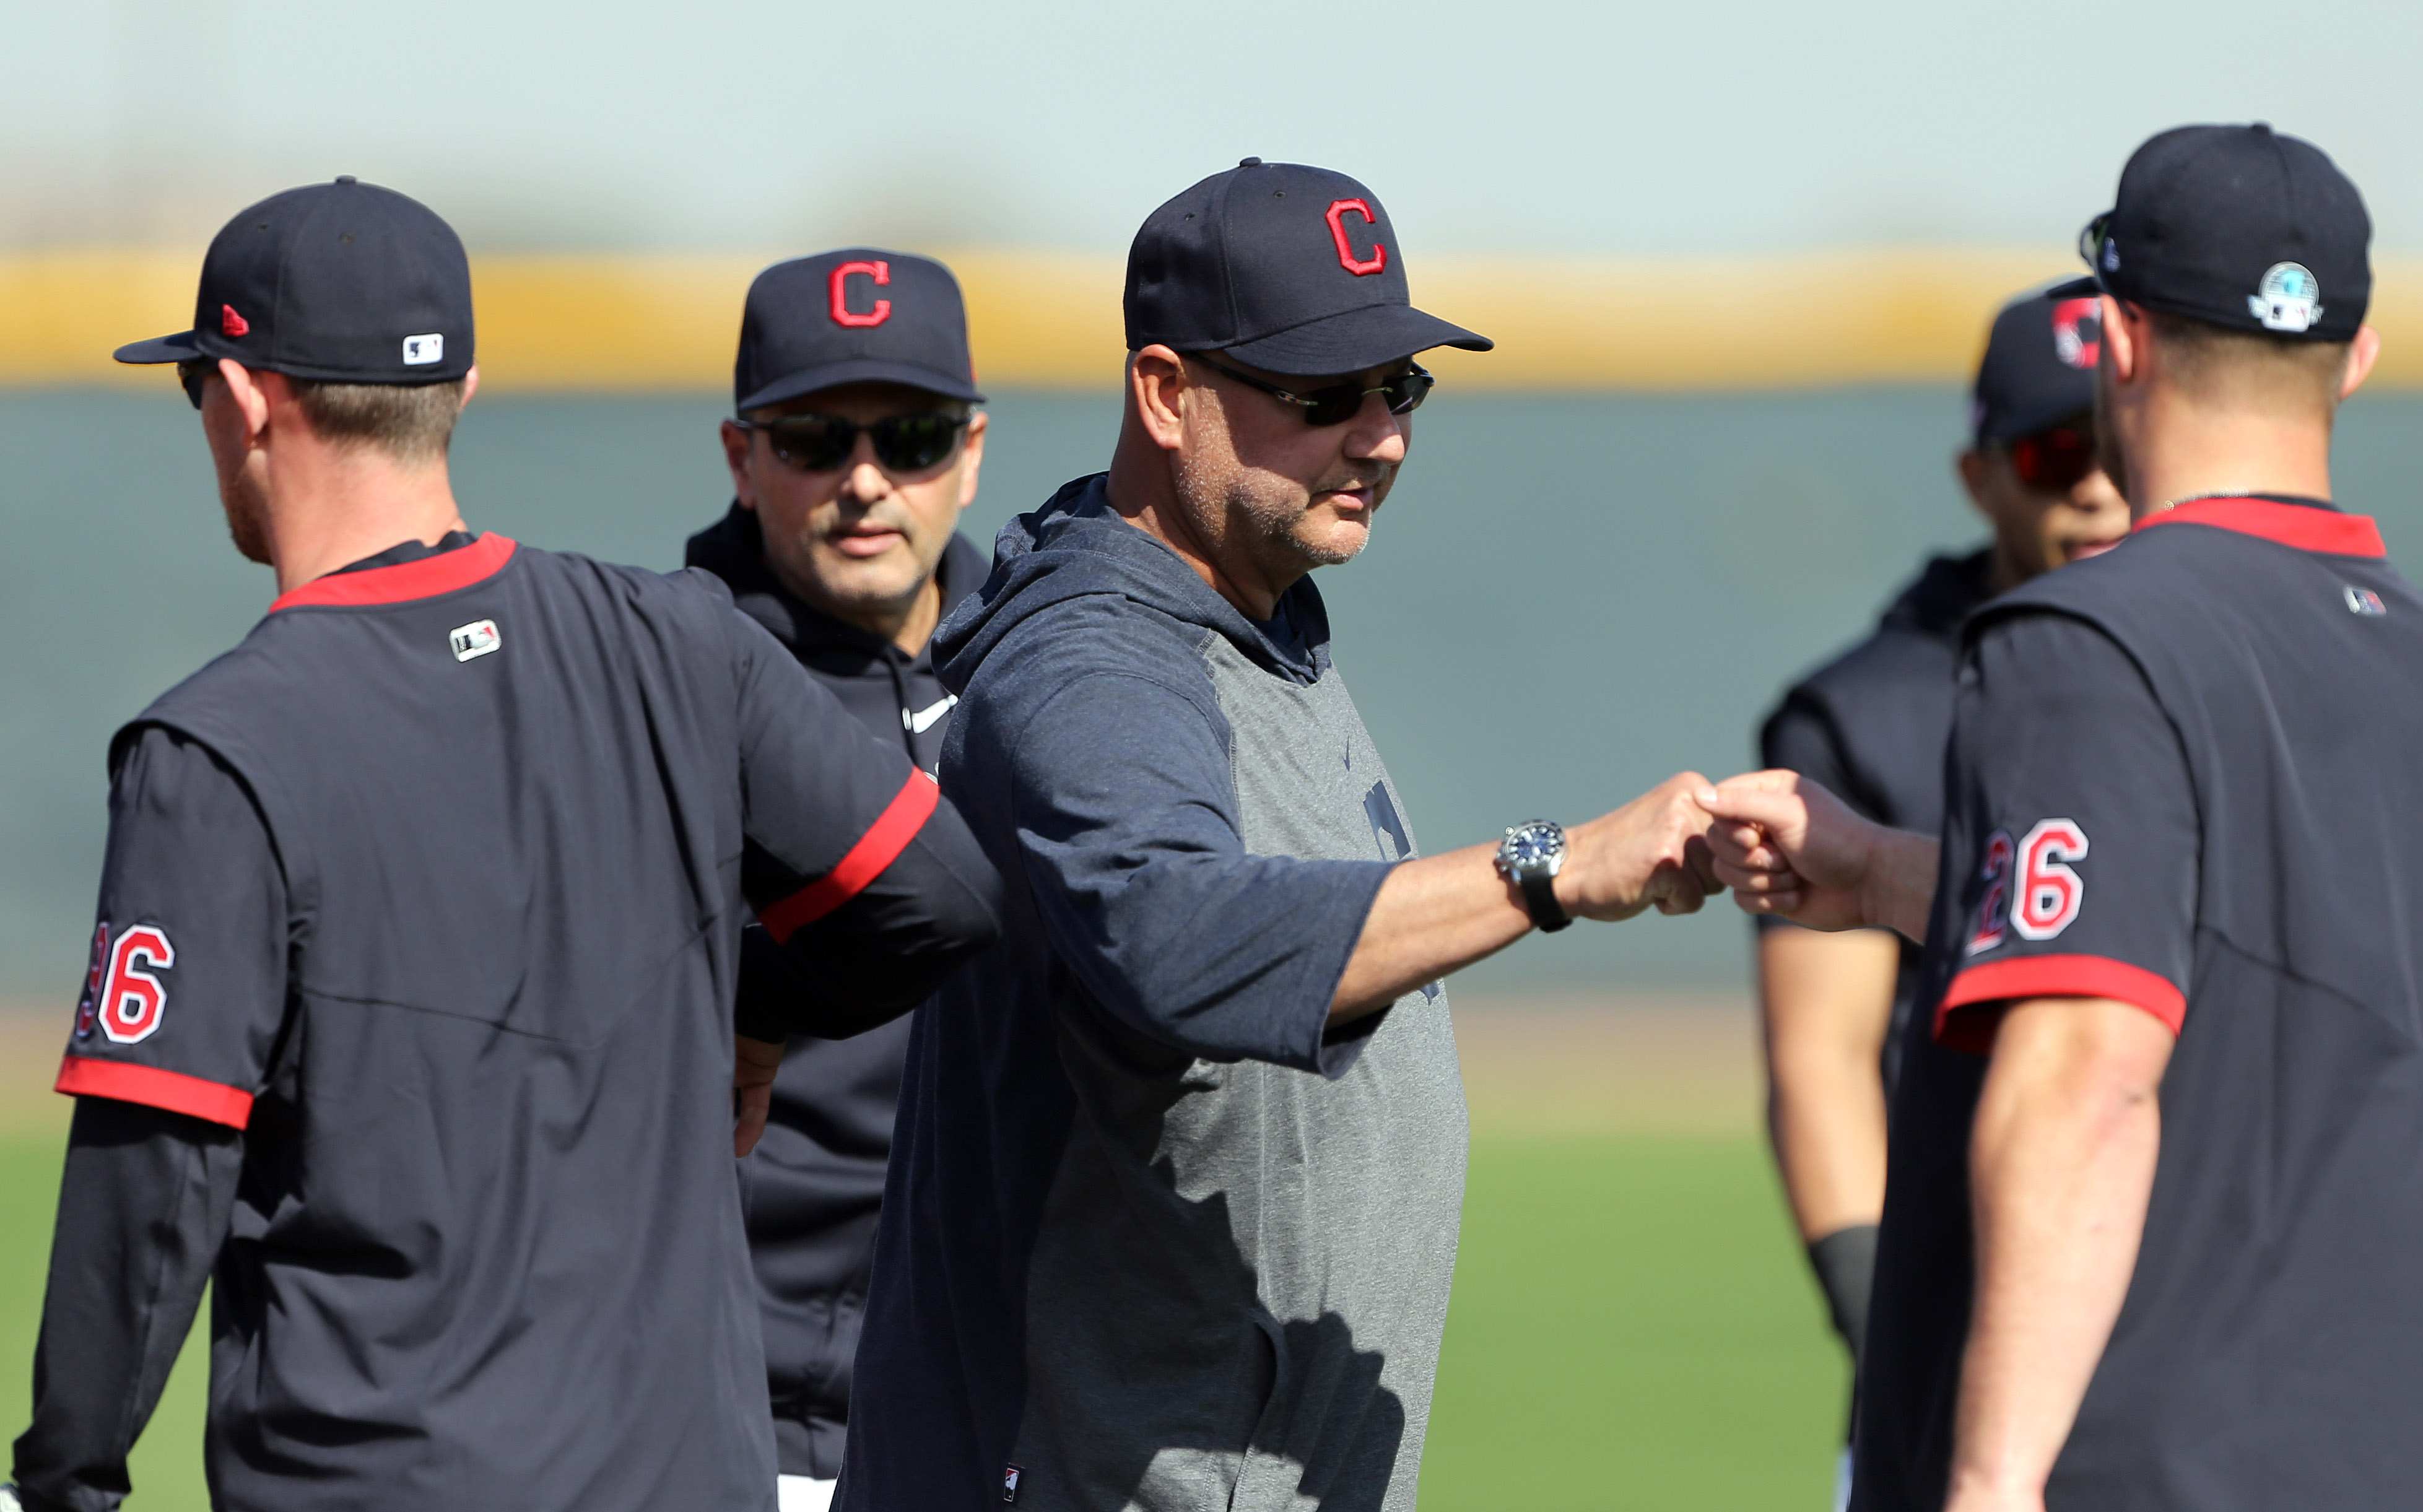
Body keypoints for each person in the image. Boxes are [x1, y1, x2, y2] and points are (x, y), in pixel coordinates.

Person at [7, 180, 1003, 1512]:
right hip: (691, 1478)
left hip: (381, 1479)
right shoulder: (681, 643)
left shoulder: (219, 748)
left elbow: (159, 1174)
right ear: (461, 390)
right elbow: (939, 894)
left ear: (244, 400)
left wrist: (67, 1476)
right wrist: (756, 1016)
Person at [835, 158, 1721, 1512]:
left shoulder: (1258, 616)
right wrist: (1547, 871)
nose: (1381, 437)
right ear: (1166, 392)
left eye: (1400, 387)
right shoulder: (1095, 664)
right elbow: (1172, 934)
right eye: (1321, 397)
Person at [1708, 124, 2423, 1512]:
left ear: (2121, 344)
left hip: (2156, 1464)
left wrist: (1993, 1479)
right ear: (2359, 356)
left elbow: (2091, 1071)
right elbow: (2249, 958)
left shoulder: (2089, 637)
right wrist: (1894, 875)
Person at [1752, 287, 2125, 1490]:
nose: (2096, 486)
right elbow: (1821, 1060)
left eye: (2121, 443)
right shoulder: (1870, 710)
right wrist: (1888, 1330)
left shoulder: (2224, 665)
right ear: (1981, 476)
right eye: (2056, 449)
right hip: (1960, 1314)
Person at [684, 248, 991, 1512]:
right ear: (741, 453)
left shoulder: (1049, 668)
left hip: (1005, 1404)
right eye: (815, 437)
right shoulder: (666, 677)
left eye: (910, 436)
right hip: (747, 1417)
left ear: (970, 451)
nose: (867, 480)